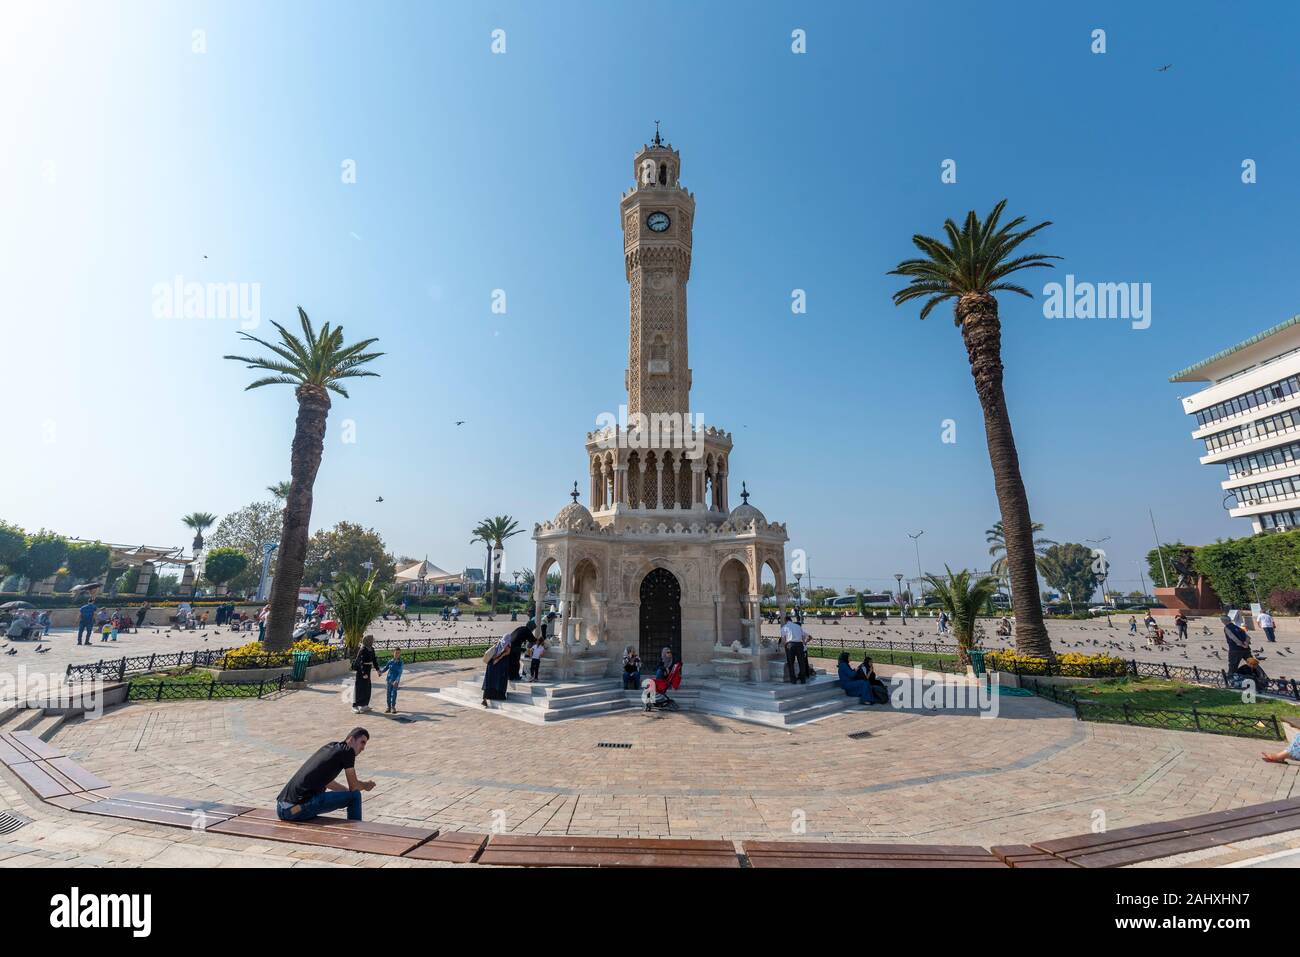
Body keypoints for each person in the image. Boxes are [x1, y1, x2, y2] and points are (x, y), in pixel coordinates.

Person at [276, 728, 375, 822]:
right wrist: (366, 785)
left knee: (349, 795)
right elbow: (354, 787)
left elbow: (326, 781)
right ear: (351, 739)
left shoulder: (331, 746)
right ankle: (356, 834)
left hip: (282, 808)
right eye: (362, 742)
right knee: (355, 796)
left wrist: (344, 791)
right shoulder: (348, 751)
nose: (363, 748)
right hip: (296, 810)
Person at [481, 631, 514, 706]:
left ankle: (486, 698)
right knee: (498, 681)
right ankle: (497, 696)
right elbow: (497, 658)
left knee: (490, 681)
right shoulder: (506, 646)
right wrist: (504, 654)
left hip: (491, 666)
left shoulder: (499, 644)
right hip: (498, 667)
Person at [352, 634, 379, 714]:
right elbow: (360, 662)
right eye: (372, 640)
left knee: (367, 687)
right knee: (359, 688)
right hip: (361, 672)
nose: (373, 641)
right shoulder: (362, 649)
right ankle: (355, 706)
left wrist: (378, 670)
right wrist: (363, 673)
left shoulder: (371, 649)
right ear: (368, 641)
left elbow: (374, 660)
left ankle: (364, 705)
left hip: (368, 671)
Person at [780, 613, 809, 684]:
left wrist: (785, 646)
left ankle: (793, 680)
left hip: (790, 645)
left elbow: (783, 640)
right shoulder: (797, 626)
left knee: (791, 663)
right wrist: (804, 643)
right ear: (791, 620)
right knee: (801, 662)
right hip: (799, 644)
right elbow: (803, 637)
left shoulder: (784, 627)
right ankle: (803, 679)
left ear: (785, 621)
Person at [380, 648, 404, 714]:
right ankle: (388, 707)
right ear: (393, 653)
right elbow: (386, 668)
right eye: (396, 653)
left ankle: (393, 707)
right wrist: (381, 672)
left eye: (398, 653)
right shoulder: (390, 661)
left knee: (394, 693)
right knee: (388, 693)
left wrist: (396, 680)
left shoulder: (400, 663)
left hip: (395, 681)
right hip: (389, 680)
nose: (397, 654)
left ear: (400, 654)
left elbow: (400, 672)